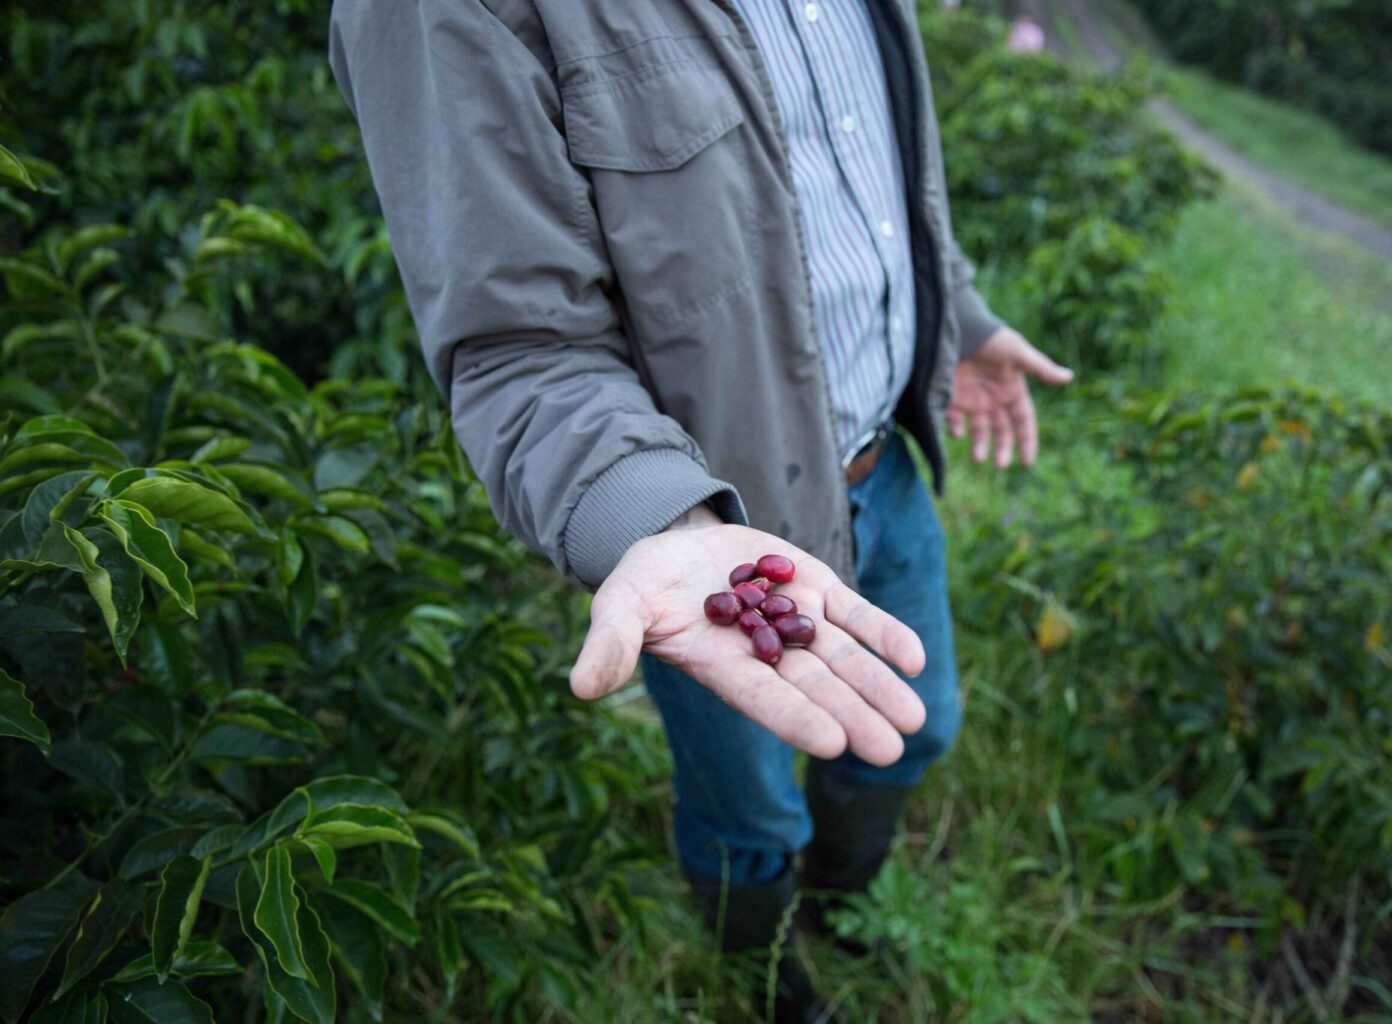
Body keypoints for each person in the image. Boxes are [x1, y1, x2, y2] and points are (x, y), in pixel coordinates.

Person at [329, 2, 1071, 1020]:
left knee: (920, 725)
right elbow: (520, 341)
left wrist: (956, 310)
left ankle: (847, 899)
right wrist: (659, 520)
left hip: (883, 460)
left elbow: (842, 159)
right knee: (749, 810)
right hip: (722, 518)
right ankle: (768, 977)